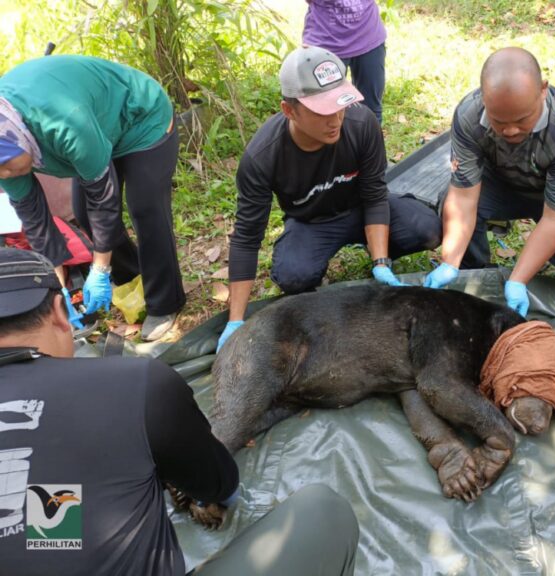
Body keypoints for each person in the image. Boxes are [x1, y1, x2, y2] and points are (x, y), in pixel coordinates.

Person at [0, 247, 359, 576]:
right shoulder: (133, 382)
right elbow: (219, 484)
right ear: (63, 315)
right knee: (324, 511)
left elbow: (44, 527)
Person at [218, 46, 441, 351]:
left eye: (340, 104)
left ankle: (375, 251)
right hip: (312, 221)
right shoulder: (263, 157)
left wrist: (380, 263)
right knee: (293, 276)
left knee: (427, 228)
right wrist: (236, 320)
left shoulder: (361, 124)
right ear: (289, 110)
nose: (335, 119)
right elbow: (246, 237)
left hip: (362, 207)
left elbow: (375, 195)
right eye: (322, 111)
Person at [0, 54, 186, 341]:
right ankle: (133, 276)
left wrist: (99, 269)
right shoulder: (8, 151)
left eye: (7, 166)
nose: (6, 175)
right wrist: (57, 290)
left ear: (17, 140)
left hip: (139, 118)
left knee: (145, 208)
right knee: (83, 213)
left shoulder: (62, 124)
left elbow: (103, 197)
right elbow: (35, 220)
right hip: (98, 127)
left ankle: (165, 304)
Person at [423, 47, 555, 316]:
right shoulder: (469, 114)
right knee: (448, 204)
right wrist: (449, 262)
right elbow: (464, 198)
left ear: (543, 90)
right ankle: (475, 271)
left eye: (522, 119)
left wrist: (517, 280)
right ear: (483, 98)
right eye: (499, 122)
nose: (510, 130)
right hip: (507, 179)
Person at [303, 0, 387, 123]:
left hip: (369, 36)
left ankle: (369, 141)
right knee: (325, 111)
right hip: (327, 43)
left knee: (371, 110)